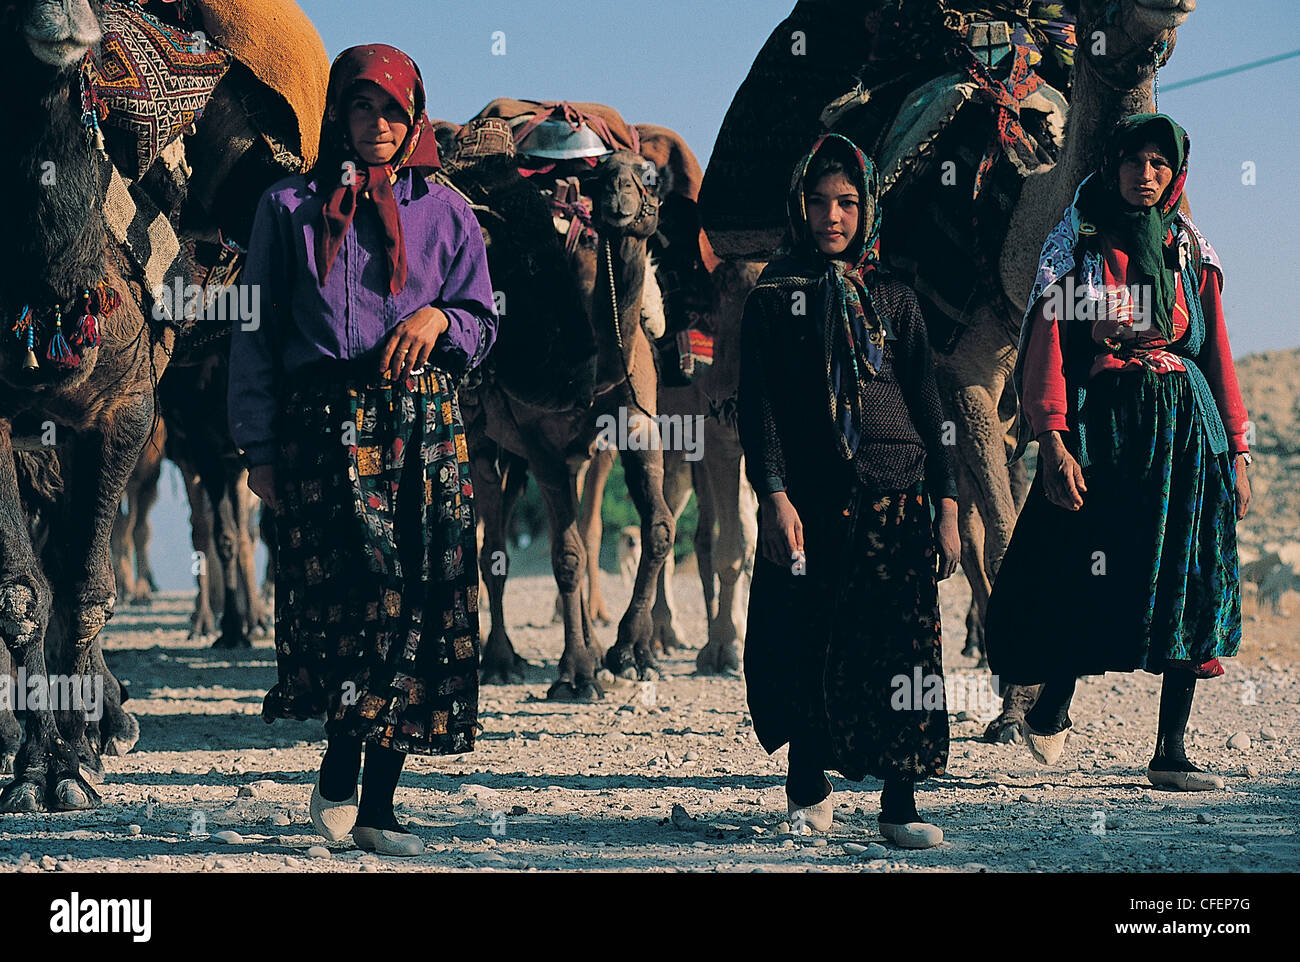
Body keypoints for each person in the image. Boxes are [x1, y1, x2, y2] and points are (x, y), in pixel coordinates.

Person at [227, 44, 498, 855]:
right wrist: (257, 446)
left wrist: (441, 320)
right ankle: (344, 773)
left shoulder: (446, 212)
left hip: (422, 428)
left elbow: (484, 320)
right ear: (337, 116)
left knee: (418, 603)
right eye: (360, 108)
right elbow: (256, 332)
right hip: (322, 430)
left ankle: (373, 802)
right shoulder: (286, 208)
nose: (376, 125)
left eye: (391, 111)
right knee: (352, 605)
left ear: (412, 118)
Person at [985, 114, 1251, 791]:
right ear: (1114, 164)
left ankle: (1170, 750)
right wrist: (1052, 439)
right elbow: (1047, 348)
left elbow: (1215, 352)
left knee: (1187, 581)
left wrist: (1238, 451)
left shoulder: (1190, 249)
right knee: (1085, 570)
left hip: (1188, 434)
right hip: (1108, 427)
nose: (1147, 173)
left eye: (1160, 163)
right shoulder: (1077, 243)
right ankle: (1052, 705)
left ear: (1175, 173)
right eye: (1135, 160)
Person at [738, 133, 961, 849]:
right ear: (799, 207)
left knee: (904, 647)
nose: (832, 216)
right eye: (819, 202)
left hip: (899, 495)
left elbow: (930, 401)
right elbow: (760, 405)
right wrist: (772, 493)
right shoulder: (774, 297)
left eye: (847, 202)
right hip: (812, 499)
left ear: (867, 208)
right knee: (810, 637)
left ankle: (901, 801)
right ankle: (808, 784)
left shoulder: (896, 295)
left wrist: (950, 501)